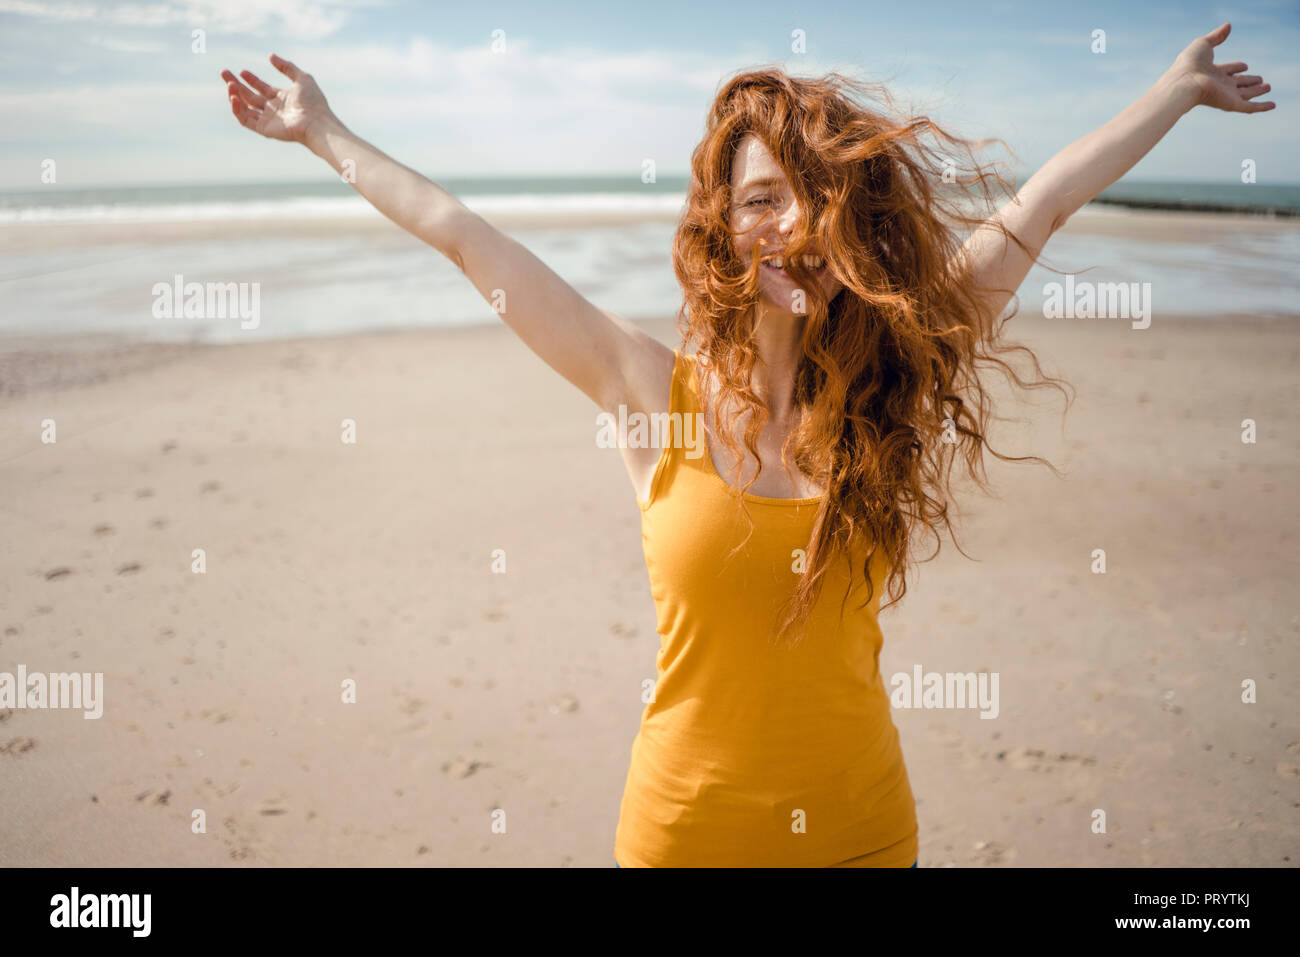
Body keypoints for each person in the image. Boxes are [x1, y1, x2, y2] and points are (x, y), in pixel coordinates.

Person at [219, 22, 1273, 867]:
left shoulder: (895, 380)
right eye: (761, 199)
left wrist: (1173, 92)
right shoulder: (647, 391)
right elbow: (462, 235)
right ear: (722, 224)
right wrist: (324, 132)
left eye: (814, 198)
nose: (792, 225)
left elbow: (1039, 207)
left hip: (861, 834)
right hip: (682, 838)